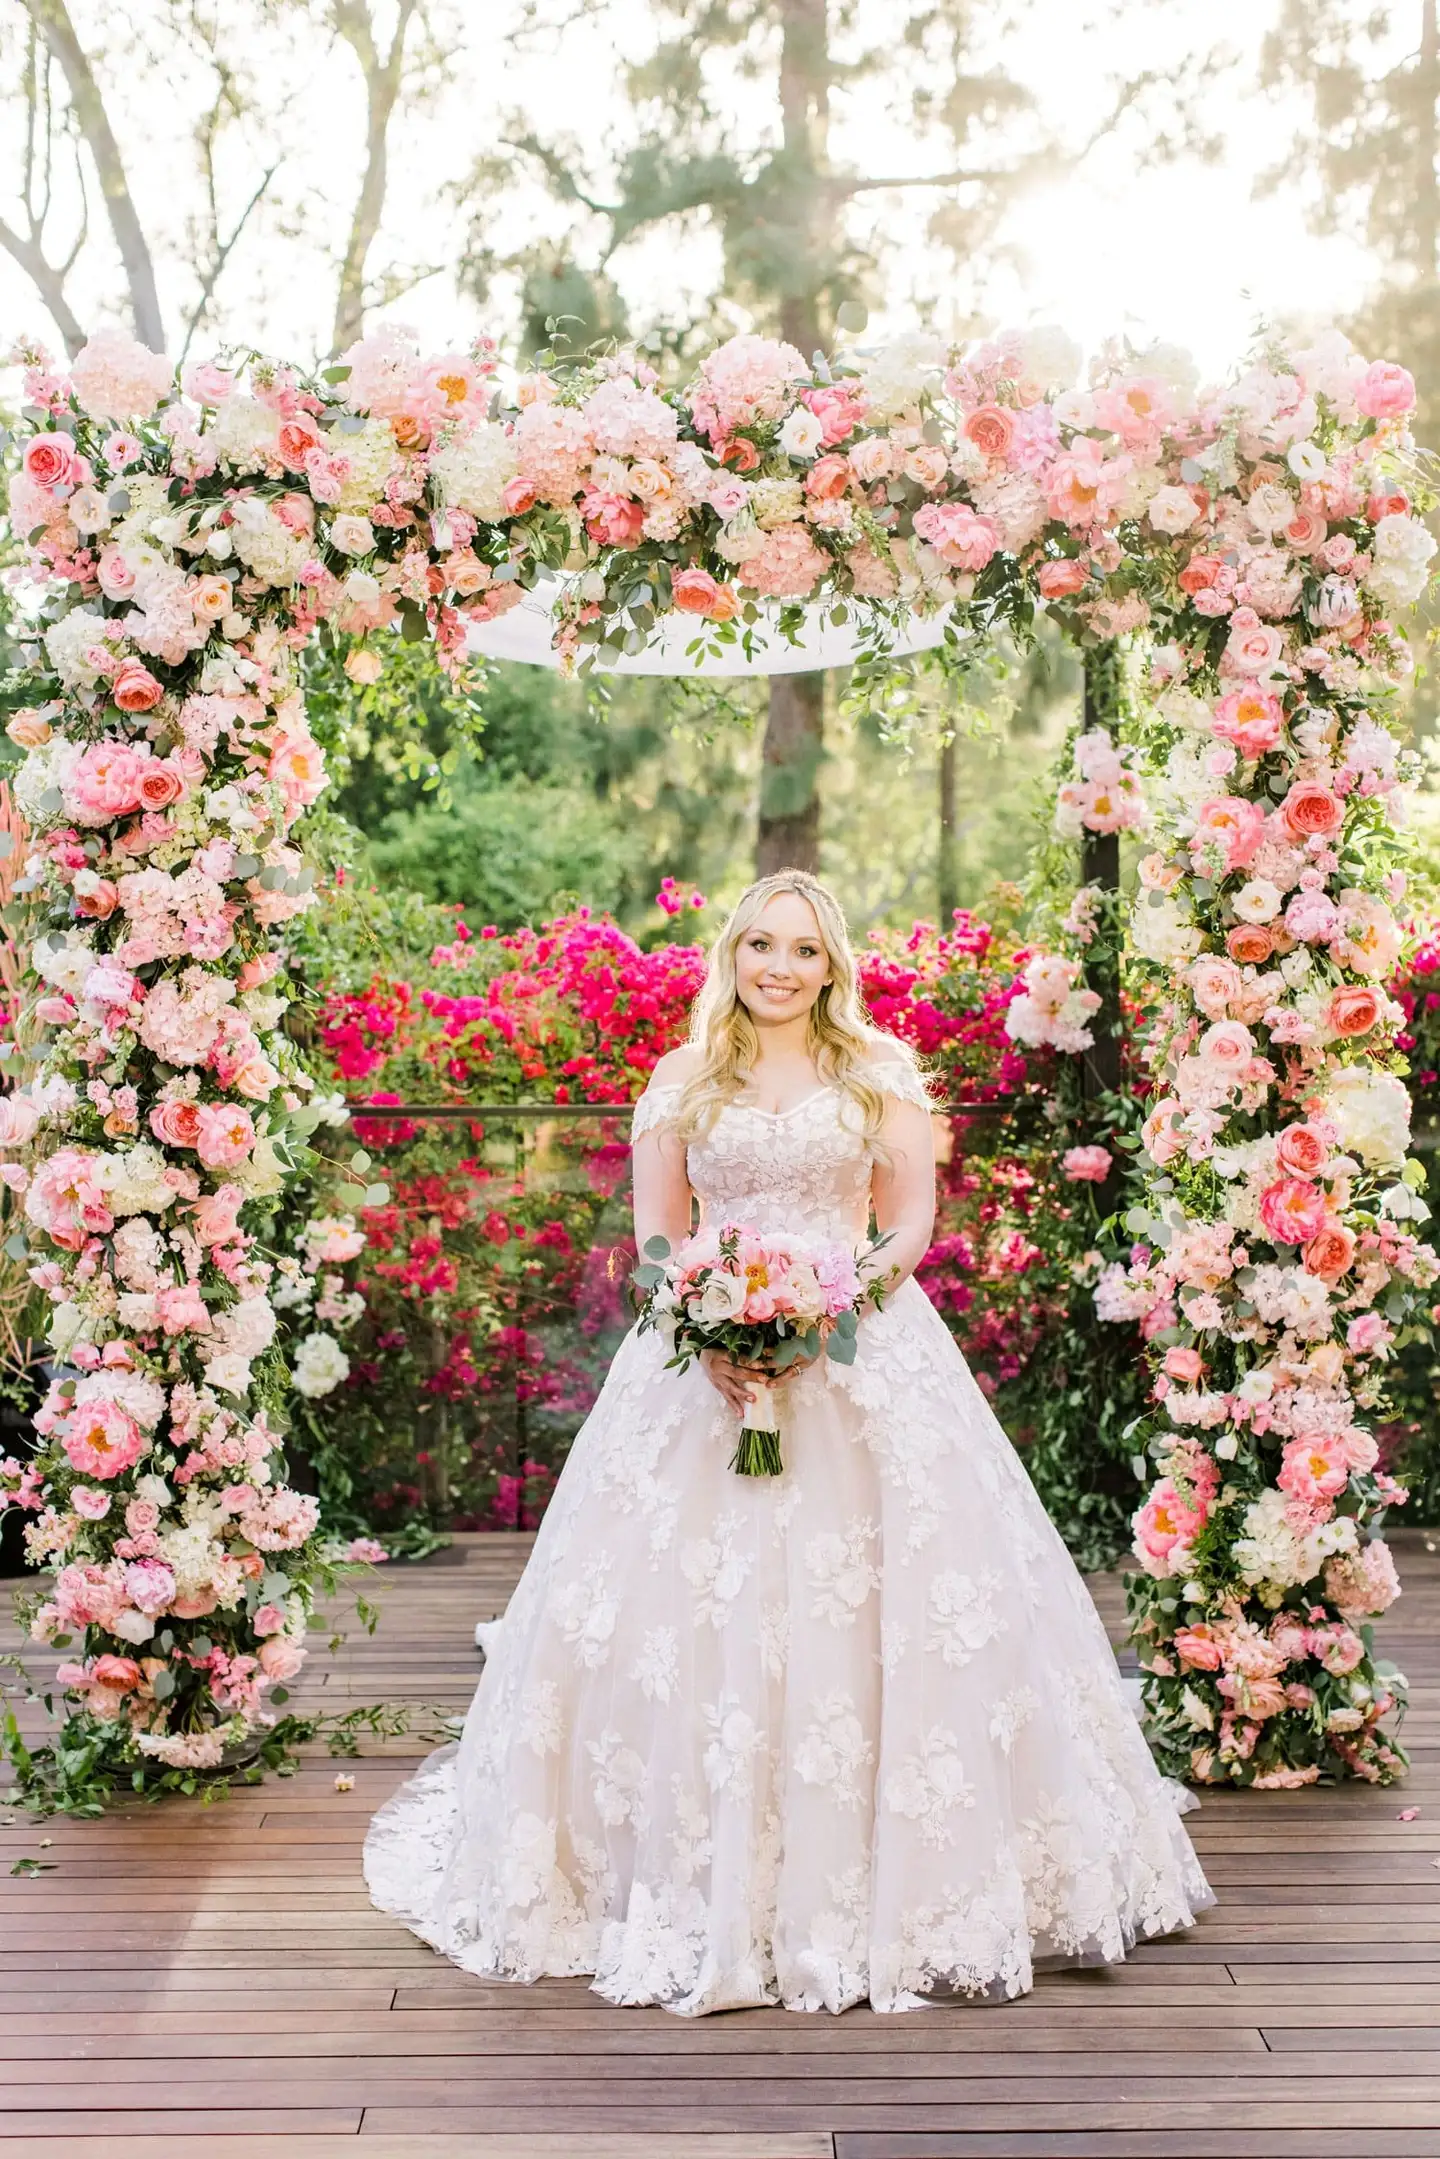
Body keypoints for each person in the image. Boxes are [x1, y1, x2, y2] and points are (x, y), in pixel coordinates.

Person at [364, 870, 1212, 2014]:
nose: (777, 966)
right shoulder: (680, 1078)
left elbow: (910, 1215)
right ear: (732, 953)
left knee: (887, 1609)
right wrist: (708, 1331)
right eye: (759, 943)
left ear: (831, 964)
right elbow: (661, 1241)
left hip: (862, 1349)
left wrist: (833, 1307)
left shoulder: (879, 1070)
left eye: (801, 950)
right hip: (700, 1368)